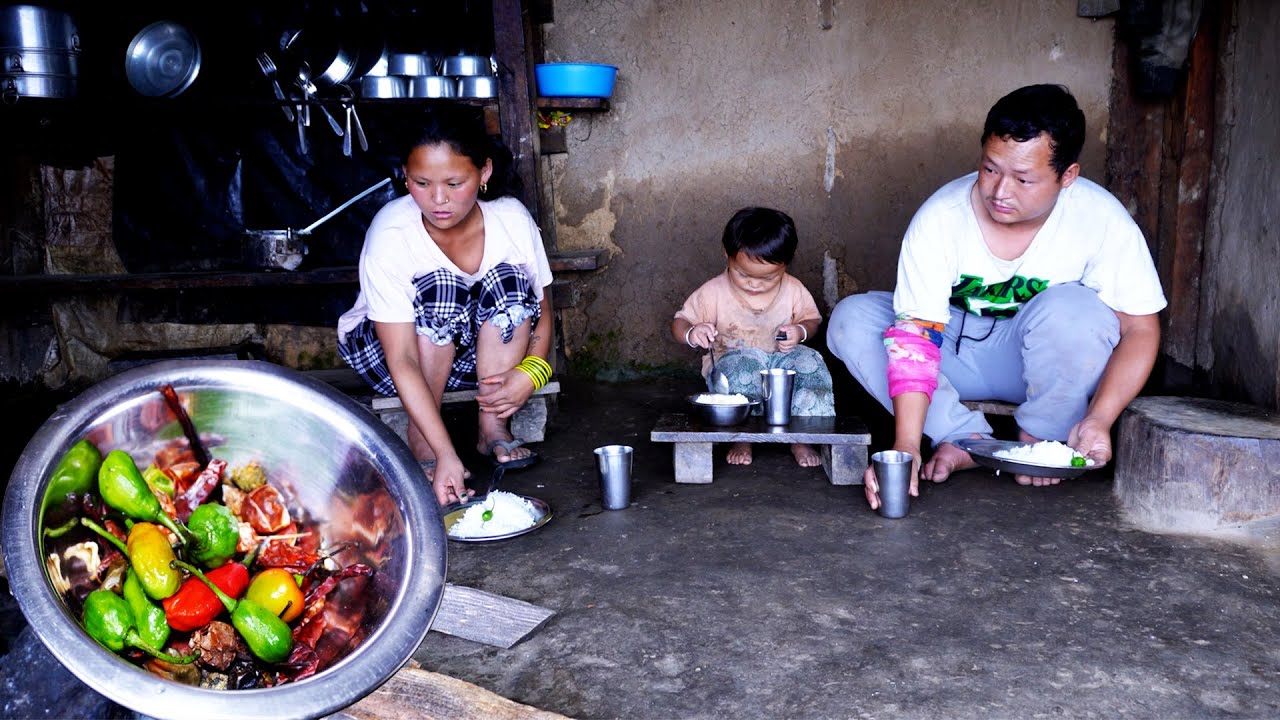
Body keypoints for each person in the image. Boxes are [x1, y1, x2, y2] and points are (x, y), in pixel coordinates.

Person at [826, 84, 1166, 510]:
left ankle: (1041, 442)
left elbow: (1140, 328)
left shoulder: (1100, 220)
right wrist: (907, 447)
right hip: (949, 356)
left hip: (1031, 365)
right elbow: (916, 338)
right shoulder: (940, 218)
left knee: (1081, 313)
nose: (1001, 191)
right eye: (990, 169)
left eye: (1024, 179)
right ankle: (964, 439)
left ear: (1068, 176)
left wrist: (1099, 418)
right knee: (852, 318)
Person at [337, 107, 555, 506]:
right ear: (405, 175)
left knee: (507, 279)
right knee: (443, 286)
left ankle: (494, 426)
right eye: (421, 183)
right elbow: (400, 357)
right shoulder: (392, 232)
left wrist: (531, 374)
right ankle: (423, 440)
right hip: (391, 356)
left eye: (455, 183)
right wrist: (445, 454)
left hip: (474, 356)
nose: (438, 200)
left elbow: (542, 309)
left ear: (484, 173)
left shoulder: (510, 220)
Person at [672, 206, 836, 466]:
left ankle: (801, 438)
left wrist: (800, 331)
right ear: (727, 256)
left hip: (782, 361)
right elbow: (680, 322)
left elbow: (812, 320)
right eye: (743, 274)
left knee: (811, 363)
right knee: (742, 369)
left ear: (785, 265)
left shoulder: (793, 288)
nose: (754, 284)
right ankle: (743, 437)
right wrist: (693, 332)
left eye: (769, 278)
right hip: (735, 361)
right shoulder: (712, 291)